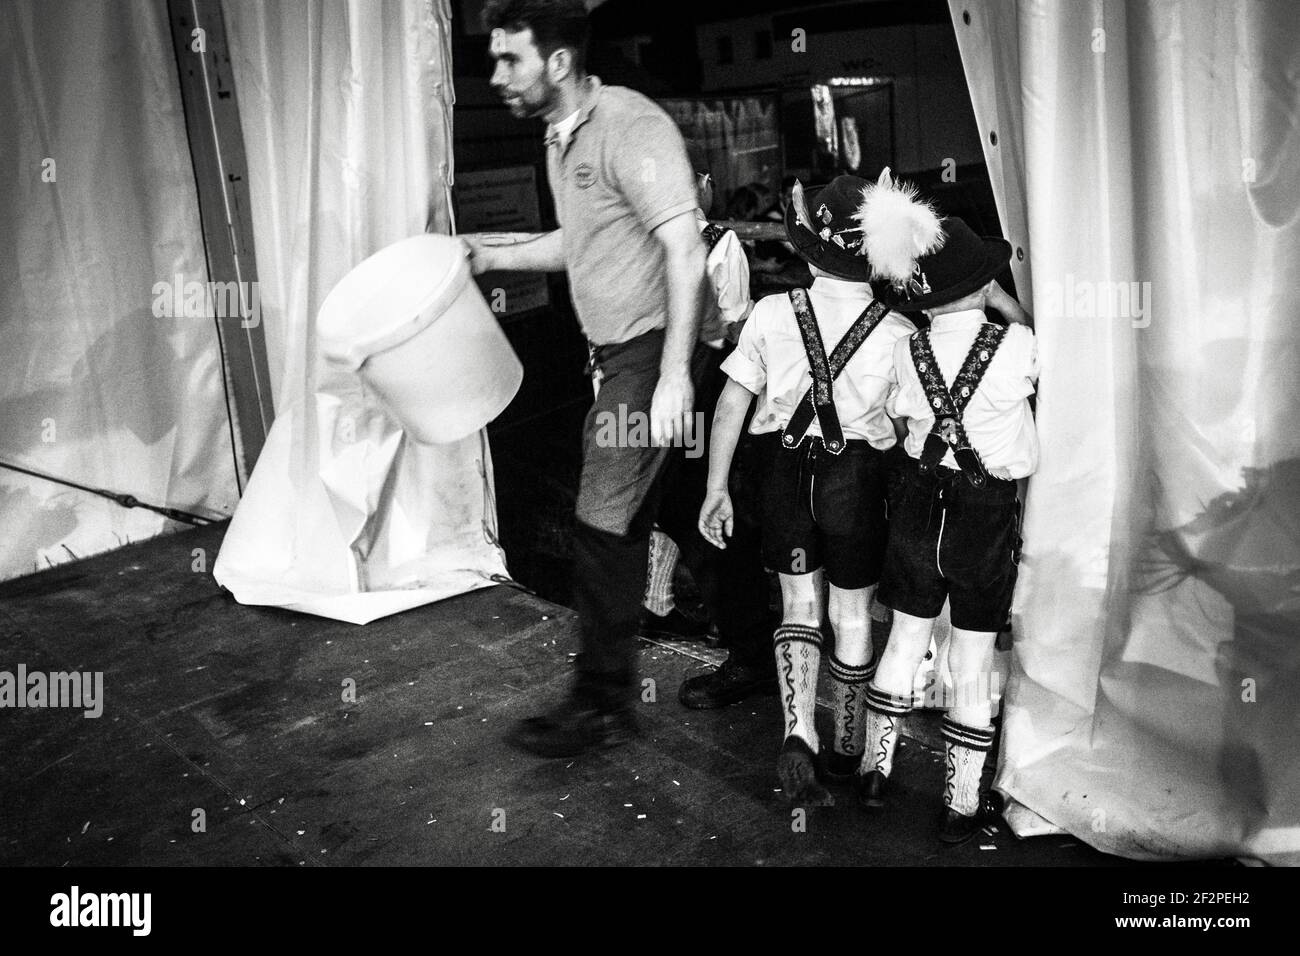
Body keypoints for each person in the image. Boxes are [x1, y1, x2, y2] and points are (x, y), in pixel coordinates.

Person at [463, 0, 771, 757]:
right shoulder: (559, 139)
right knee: (690, 509)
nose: (496, 75)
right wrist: (487, 254)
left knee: (603, 511)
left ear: (558, 62)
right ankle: (759, 655)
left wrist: (670, 378)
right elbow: (584, 239)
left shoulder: (630, 127)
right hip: (614, 356)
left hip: (652, 351)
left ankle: (600, 700)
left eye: (511, 59)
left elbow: (684, 247)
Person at [698, 174, 918, 804]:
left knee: (798, 607)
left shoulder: (771, 314)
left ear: (808, 249)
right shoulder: (898, 331)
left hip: (785, 476)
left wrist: (717, 487)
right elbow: (907, 428)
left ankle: (800, 731)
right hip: (856, 482)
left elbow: (732, 403)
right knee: (852, 616)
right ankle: (849, 747)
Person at [854, 169, 1037, 843]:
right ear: (983, 285)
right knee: (972, 657)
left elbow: (904, 423)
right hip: (983, 514)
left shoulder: (909, 348)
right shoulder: (1015, 346)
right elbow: (1036, 351)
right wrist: (1006, 305)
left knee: (903, 638)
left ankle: (875, 774)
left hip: (916, 506)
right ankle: (961, 803)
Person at [640, 140, 754, 644]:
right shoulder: (721, 244)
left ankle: (656, 604)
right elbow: (736, 329)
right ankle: (725, 620)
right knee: (706, 494)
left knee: (656, 491)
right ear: (701, 184)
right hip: (698, 389)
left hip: (637, 387)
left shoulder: (635, 241)